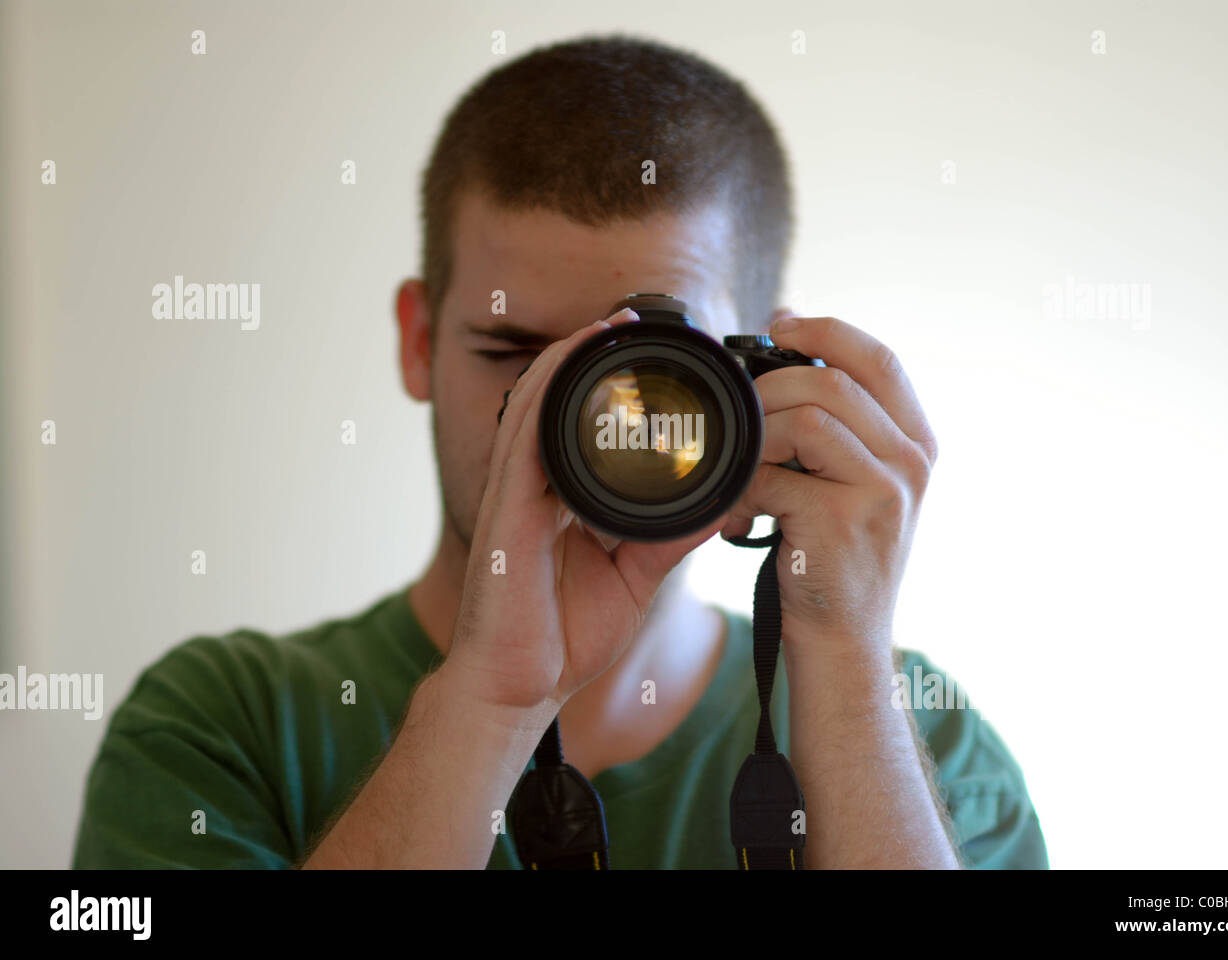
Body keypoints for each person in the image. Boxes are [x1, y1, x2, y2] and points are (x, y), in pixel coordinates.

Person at [73, 34, 1048, 870]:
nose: (573, 419)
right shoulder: (221, 725)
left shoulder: (924, 741)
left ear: (759, 379)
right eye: (513, 354)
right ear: (418, 340)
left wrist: (841, 660)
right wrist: (492, 700)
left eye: (651, 370)